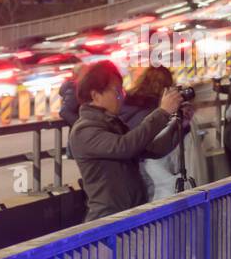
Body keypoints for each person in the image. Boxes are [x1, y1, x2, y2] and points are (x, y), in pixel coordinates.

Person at [68, 60, 184, 221]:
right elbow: (125, 147)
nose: (121, 96)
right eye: (116, 91)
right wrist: (162, 112)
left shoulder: (113, 123)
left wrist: (181, 125)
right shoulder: (84, 130)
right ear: (95, 95)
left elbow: (153, 149)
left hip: (131, 215)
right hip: (109, 221)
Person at [120, 66, 196, 202]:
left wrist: (181, 124)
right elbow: (156, 149)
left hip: (135, 183)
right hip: (151, 182)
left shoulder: (128, 107)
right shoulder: (151, 114)